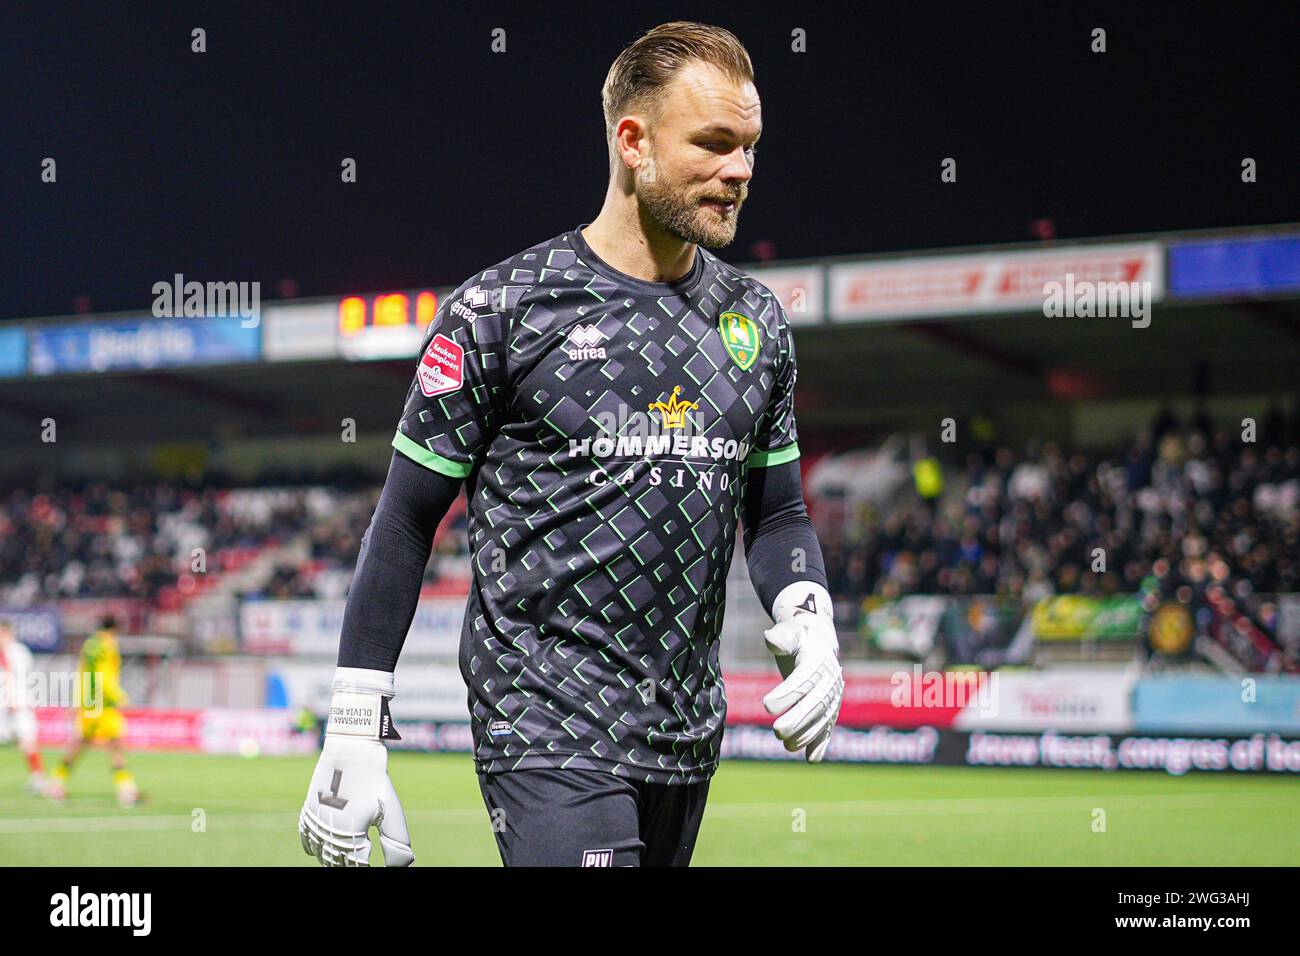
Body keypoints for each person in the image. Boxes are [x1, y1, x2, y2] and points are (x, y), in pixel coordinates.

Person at [300, 20, 842, 867]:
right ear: (633, 141)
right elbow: (406, 520)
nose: (740, 170)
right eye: (714, 143)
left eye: (750, 146)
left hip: (688, 730)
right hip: (544, 719)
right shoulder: (503, 311)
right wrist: (354, 721)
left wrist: (810, 618)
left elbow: (776, 517)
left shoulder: (757, 322)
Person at [48, 615, 140, 807]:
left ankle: (57, 782)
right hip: (103, 702)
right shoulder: (108, 646)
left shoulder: (89, 645)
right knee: (114, 743)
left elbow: (83, 674)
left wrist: (77, 701)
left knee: (81, 743)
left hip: (90, 700)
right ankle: (126, 789)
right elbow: (104, 676)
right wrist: (119, 696)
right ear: (113, 630)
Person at [0, 619, 46, 794]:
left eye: (3, 633)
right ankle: (38, 777)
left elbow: (13, 675)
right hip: (5, 705)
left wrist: (12, 698)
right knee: (25, 742)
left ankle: (38, 777)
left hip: (18, 704)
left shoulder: (18, 652)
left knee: (27, 741)